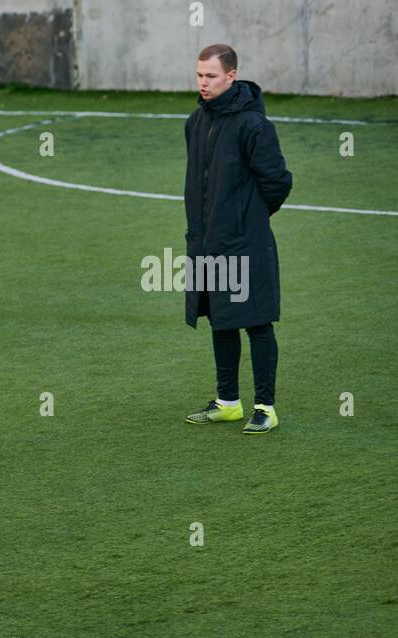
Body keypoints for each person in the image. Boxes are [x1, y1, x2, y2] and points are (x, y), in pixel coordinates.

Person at [184, 43, 293, 435]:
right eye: (199, 75)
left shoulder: (254, 125)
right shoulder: (196, 121)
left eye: (210, 76)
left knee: (257, 322)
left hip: (245, 242)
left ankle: (265, 407)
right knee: (221, 319)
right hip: (207, 243)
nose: (203, 83)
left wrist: (248, 219)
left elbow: (278, 181)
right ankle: (228, 402)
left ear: (232, 76)